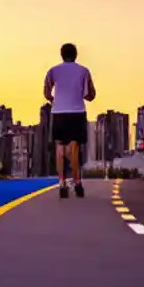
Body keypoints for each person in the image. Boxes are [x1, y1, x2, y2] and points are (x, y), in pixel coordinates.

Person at [44, 43, 96, 199]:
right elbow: (91, 95)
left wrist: (55, 99)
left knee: (60, 149)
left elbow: (46, 92)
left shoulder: (52, 71)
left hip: (59, 112)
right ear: (76, 54)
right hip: (77, 112)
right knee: (74, 148)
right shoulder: (84, 71)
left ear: (61, 55)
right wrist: (79, 94)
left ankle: (62, 183)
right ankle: (77, 182)